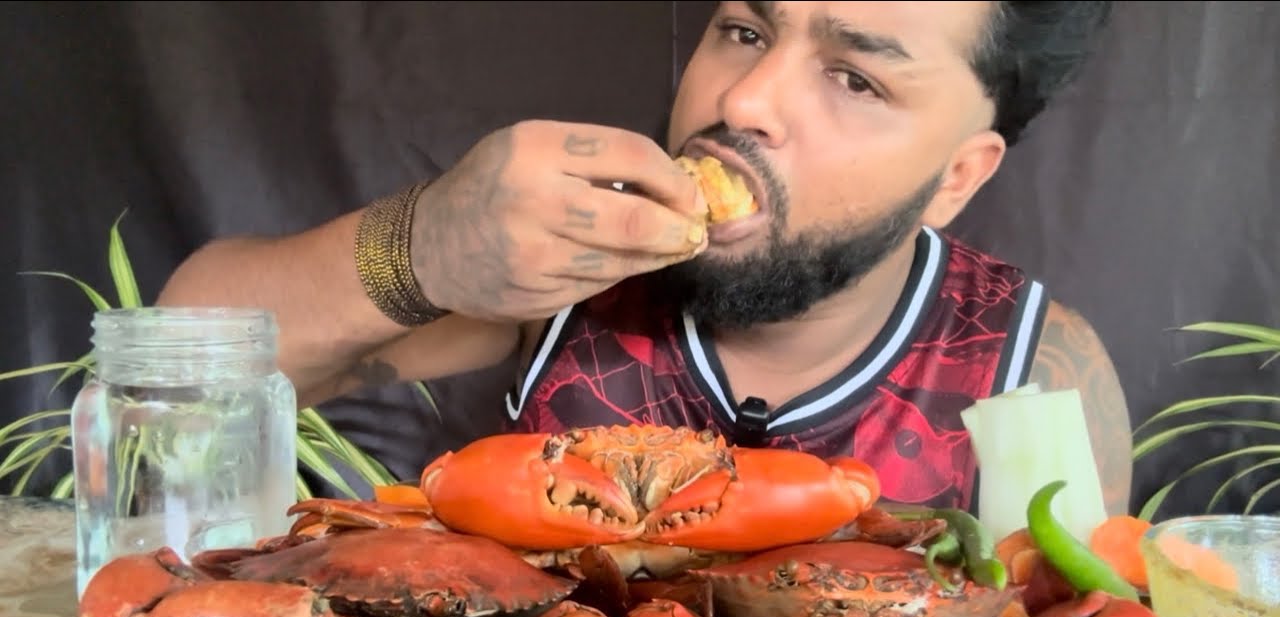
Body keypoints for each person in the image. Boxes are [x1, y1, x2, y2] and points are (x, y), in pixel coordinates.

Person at [156, 1, 1131, 517]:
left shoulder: (1032, 375)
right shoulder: (562, 264)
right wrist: (421, 247)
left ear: (958, 174)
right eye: (744, 30)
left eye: (853, 77)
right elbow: (178, 357)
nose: (744, 98)